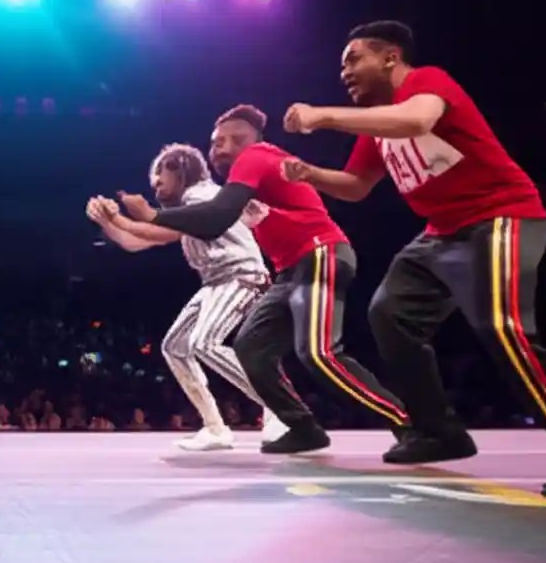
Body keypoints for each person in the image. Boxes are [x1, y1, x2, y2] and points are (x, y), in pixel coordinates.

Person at [281, 20, 546, 498]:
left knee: (502, 328)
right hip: (440, 233)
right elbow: (356, 186)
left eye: (353, 59)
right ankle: (439, 431)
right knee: (388, 314)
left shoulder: (426, 81)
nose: (344, 72)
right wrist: (310, 173)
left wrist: (323, 116)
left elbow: (418, 121)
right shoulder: (376, 124)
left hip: (500, 216)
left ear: (391, 57)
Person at [133, 104, 411, 453]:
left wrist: (153, 215)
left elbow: (214, 219)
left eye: (221, 142)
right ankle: (302, 427)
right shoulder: (246, 179)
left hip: (320, 253)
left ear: (243, 141)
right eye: (213, 142)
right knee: (251, 348)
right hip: (289, 269)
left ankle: (407, 422)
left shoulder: (255, 157)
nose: (214, 149)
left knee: (320, 353)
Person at [85, 143, 287, 450]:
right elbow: (135, 242)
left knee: (203, 342)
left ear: (180, 168)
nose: (154, 181)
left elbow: (146, 232)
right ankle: (215, 428)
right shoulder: (191, 210)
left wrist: (119, 218)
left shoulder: (203, 195)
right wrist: (106, 222)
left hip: (242, 275)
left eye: (159, 172)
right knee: (175, 347)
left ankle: (281, 407)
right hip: (215, 282)